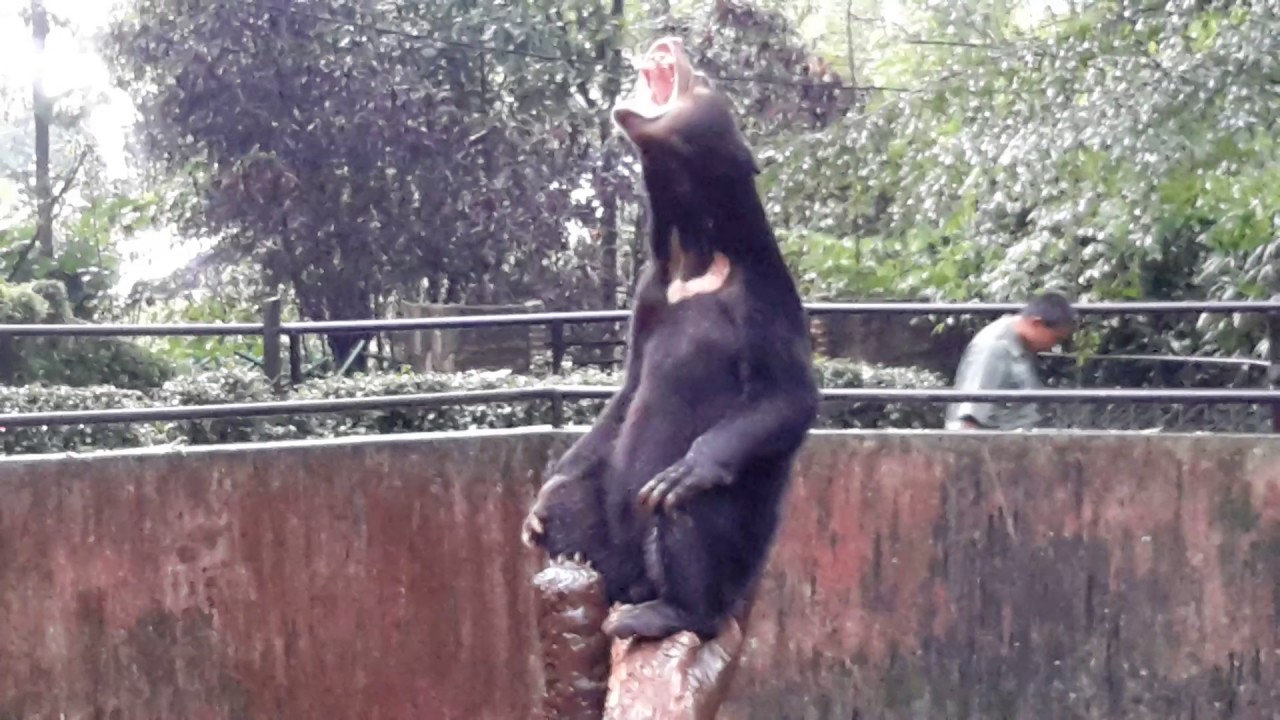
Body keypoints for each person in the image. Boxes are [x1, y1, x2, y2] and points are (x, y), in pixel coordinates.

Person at [944, 291, 1078, 431]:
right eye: (1056, 339)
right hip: (995, 442)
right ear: (1036, 323)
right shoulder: (995, 348)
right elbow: (969, 414)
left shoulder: (1019, 340)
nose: (1053, 346)